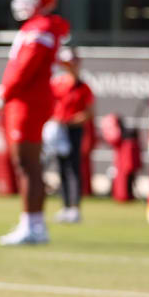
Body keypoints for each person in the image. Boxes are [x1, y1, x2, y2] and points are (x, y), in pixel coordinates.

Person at [0, 0, 69, 246]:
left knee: (27, 164)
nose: (21, 4)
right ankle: (31, 223)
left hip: (27, 102)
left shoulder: (41, 28)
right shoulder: (39, 26)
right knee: (26, 164)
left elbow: (26, 67)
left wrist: (4, 93)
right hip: (26, 100)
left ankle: (33, 225)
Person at [49, 45, 93, 224]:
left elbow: (88, 113)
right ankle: (65, 205)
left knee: (73, 167)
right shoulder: (57, 83)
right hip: (58, 129)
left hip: (74, 129)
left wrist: (71, 121)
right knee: (61, 167)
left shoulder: (83, 87)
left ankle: (74, 207)